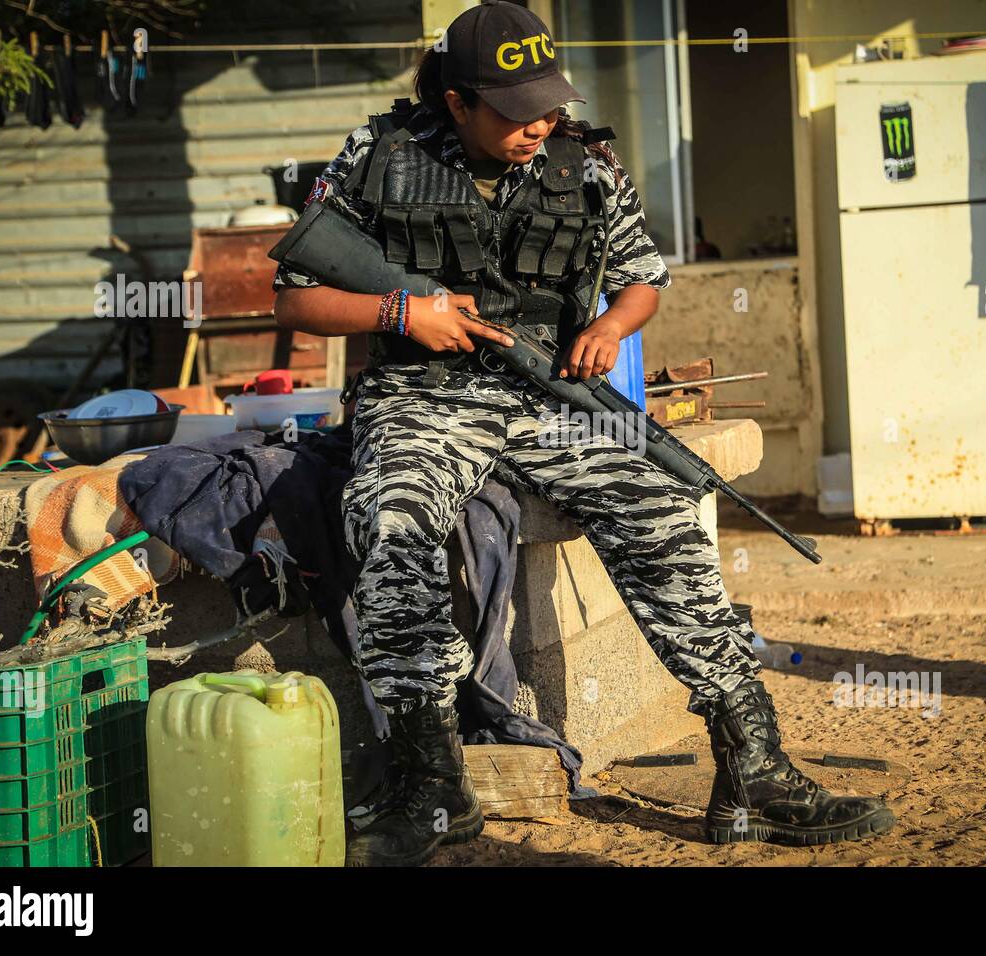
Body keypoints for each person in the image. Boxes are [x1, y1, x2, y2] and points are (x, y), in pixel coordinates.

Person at [273, 0, 894, 866]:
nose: (539, 125)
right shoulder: (381, 156)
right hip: (425, 397)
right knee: (391, 517)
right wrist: (401, 310)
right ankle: (431, 782)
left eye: (548, 104)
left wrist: (610, 328)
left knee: (661, 502)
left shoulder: (584, 162)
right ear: (458, 103)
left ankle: (752, 762)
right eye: (515, 109)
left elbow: (643, 279)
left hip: (550, 396)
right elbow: (297, 292)